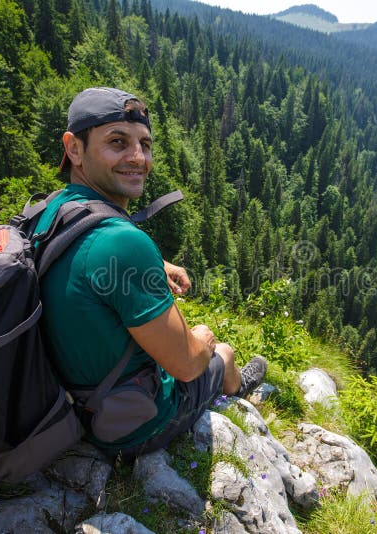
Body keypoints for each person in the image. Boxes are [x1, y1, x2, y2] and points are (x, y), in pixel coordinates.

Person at [34, 87, 267, 458]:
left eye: (144, 143)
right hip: (126, 425)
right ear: (74, 148)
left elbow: (84, 259)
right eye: (117, 142)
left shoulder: (49, 210)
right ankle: (236, 388)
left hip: (67, 395)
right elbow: (187, 366)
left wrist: (156, 265)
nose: (137, 157)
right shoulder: (124, 245)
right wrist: (201, 343)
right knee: (219, 349)